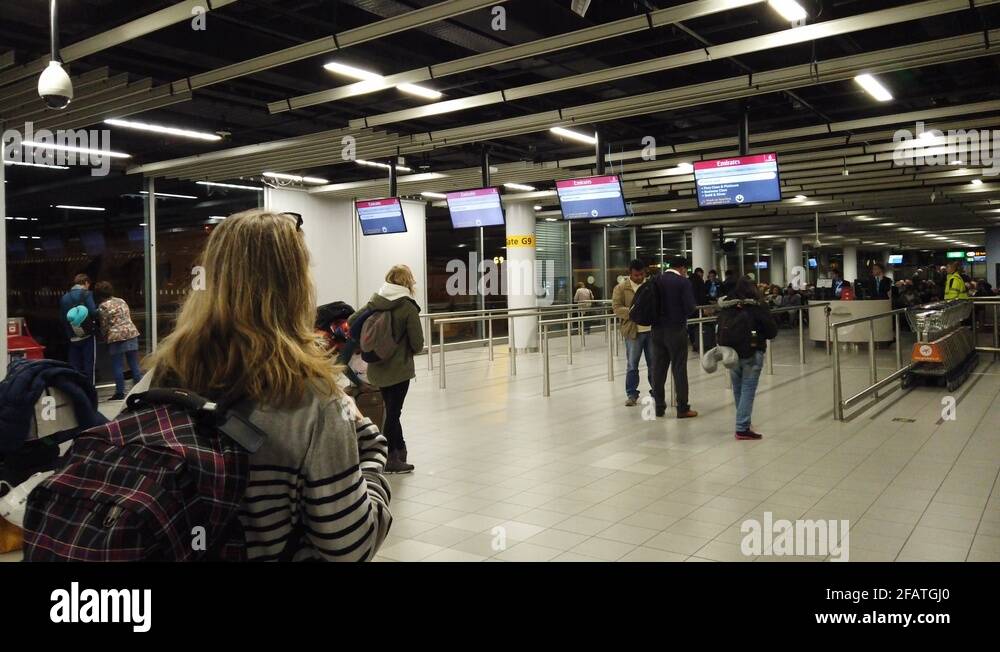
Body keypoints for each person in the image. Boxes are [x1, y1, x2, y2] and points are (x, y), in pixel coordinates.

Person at [134, 209, 392, 561]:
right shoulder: (311, 398)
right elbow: (349, 546)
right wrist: (370, 448)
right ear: (296, 285)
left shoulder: (159, 377)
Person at [351, 264, 424, 474]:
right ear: (407, 281)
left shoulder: (376, 301)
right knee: (392, 414)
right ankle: (387, 457)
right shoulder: (408, 307)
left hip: (377, 369)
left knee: (392, 411)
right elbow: (418, 344)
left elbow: (352, 321)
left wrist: (371, 341)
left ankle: (399, 450)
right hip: (399, 371)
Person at [718, 277, 778, 440]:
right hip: (751, 352)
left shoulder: (727, 306)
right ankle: (742, 427)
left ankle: (744, 423)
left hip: (731, 354)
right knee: (747, 390)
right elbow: (771, 331)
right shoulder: (757, 306)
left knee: (738, 389)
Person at [651, 256, 698, 419]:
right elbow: (690, 307)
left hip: (656, 331)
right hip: (676, 329)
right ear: (683, 268)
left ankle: (658, 407)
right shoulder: (683, 282)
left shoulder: (656, 280)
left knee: (658, 369)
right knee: (679, 368)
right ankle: (682, 408)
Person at [93, 281, 143, 401]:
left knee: (117, 365)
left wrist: (104, 336)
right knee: (134, 364)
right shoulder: (121, 300)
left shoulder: (103, 307)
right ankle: (140, 390)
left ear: (99, 294)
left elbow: (104, 325)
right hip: (131, 332)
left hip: (116, 336)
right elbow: (127, 316)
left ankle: (120, 392)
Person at [613, 259, 653, 407]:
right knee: (632, 364)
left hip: (651, 330)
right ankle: (631, 393)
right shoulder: (621, 288)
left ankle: (656, 391)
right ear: (630, 273)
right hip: (632, 331)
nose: (639, 277)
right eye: (636, 275)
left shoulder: (651, 285)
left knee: (653, 364)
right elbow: (616, 307)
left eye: (641, 274)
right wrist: (634, 312)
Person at [59, 273, 98, 385]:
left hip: (72, 335)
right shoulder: (86, 294)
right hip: (87, 334)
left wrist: (72, 328)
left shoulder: (64, 297)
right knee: (89, 364)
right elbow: (92, 312)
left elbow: (62, 318)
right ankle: (90, 388)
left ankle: (77, 388)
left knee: (74, 365)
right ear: (86, 283)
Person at [688, 268, 708, 352]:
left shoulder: (687, 281)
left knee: (690, 325)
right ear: (699, 273)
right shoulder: (699, 281)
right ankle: (698, 344)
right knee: (698, 325)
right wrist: (704, 306)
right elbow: (702, 295)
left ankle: (693, 343)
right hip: (698, 308)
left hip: (689, 307)